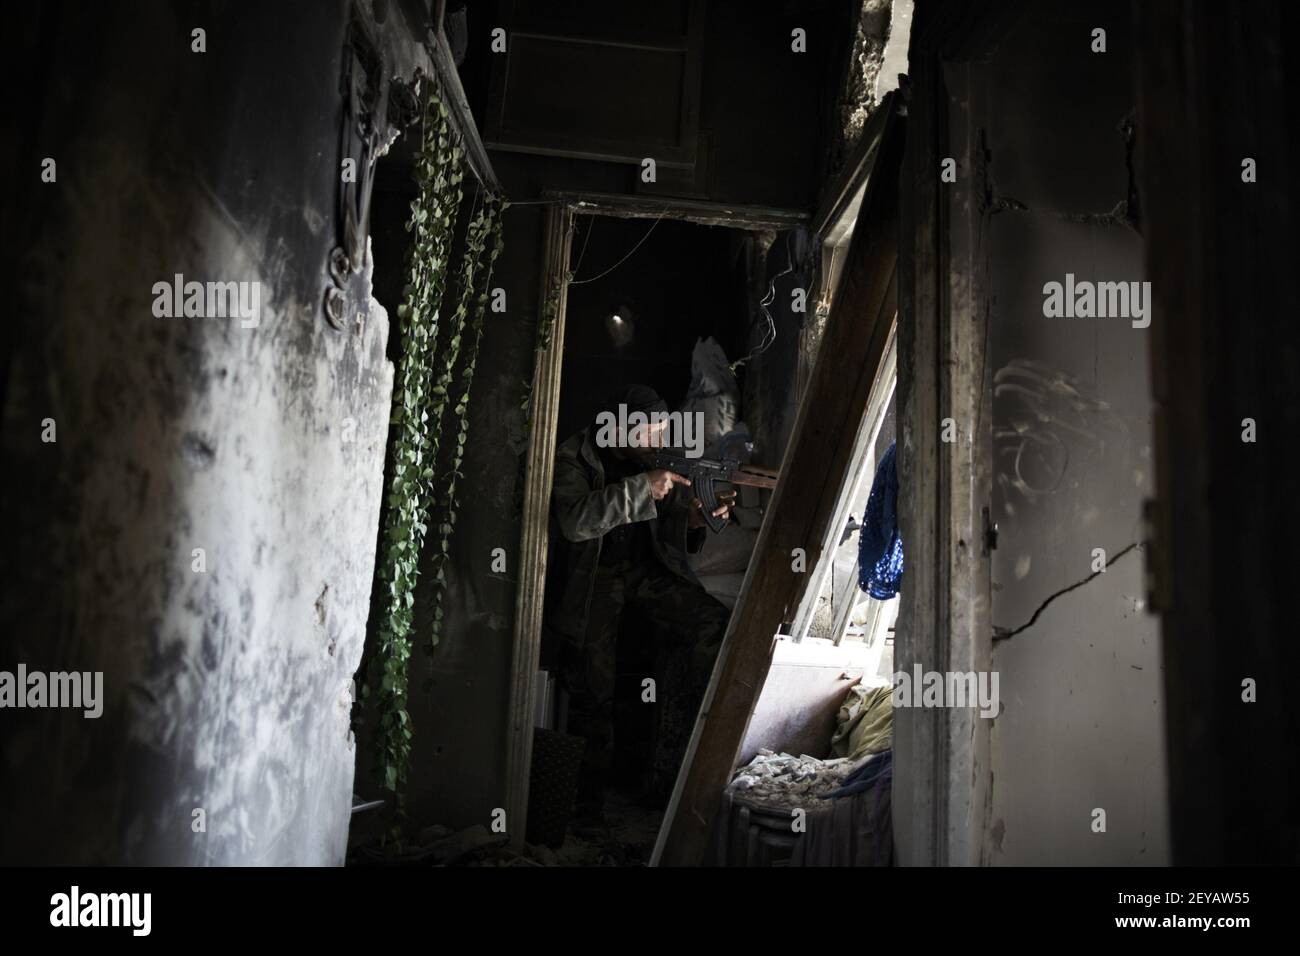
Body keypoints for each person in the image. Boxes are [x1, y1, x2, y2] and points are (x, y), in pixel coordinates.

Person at [546, 385, 734, 823]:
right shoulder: (576, 457)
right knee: (593, 690)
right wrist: (641, 488)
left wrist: (692, 520)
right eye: (650, 430)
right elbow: (574, 522)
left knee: (715, 625)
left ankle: (702, 762)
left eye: (663, 430)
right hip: (593, 580)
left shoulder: (651, 458)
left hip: (646, 571)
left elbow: (668, 530)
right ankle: (584, 813)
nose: (658, 439)